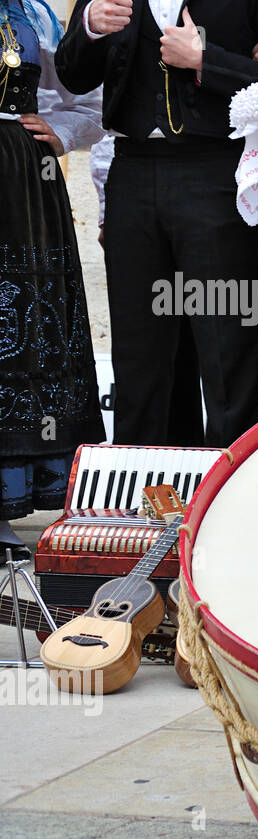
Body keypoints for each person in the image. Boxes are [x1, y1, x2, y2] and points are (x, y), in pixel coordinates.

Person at [56, 0, 258, 448]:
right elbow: (72, 76)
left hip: (215, 173)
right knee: (139, 351)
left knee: (225, 343)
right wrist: (89, 26)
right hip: (131, 173)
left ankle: (227, 493)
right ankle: (141, 495)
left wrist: (209, 61)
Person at [0, 0, 103, 553]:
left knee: (19, 335)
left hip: (20, 184)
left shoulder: (33, 13)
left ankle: (12, 498)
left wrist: (59, 131)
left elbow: (87, 98)